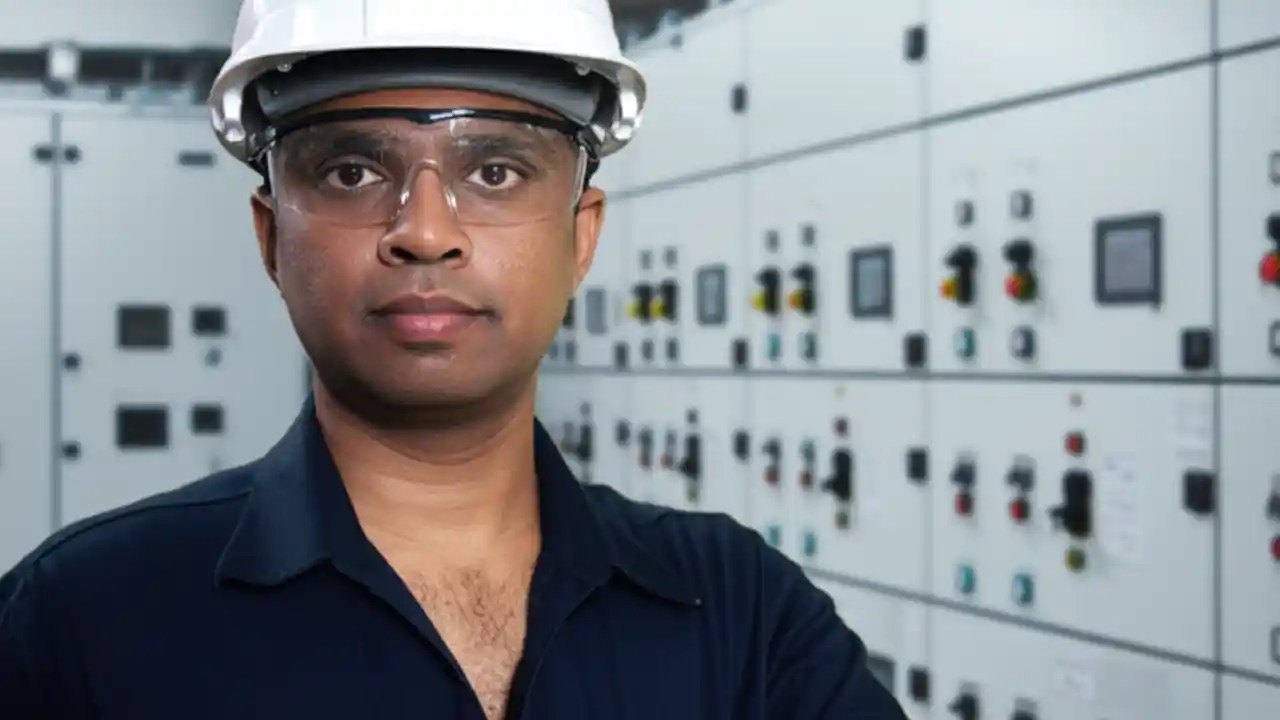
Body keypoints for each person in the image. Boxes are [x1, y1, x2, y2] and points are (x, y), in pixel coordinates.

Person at [0, 1, 908, 717]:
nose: (426, 232)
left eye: (496, 171)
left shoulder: (742, 615)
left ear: (580, 236)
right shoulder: (78, 621)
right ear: (273, 237)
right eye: (354, 171)